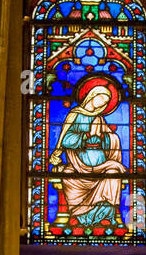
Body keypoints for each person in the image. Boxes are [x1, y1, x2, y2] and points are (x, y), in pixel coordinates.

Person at [49, 77, 126, 227]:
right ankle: (78, 216)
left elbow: (110, 139)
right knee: (69, 176)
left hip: (101, 162)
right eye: (101, 99)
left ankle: (106, 217)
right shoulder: (75, 115)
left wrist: (103, 138)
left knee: (112, 174)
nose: (102, 104)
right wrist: (84, 137)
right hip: (78, 163)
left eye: (105, 103)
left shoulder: (99, 119)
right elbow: (65, 139)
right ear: (92, 96)